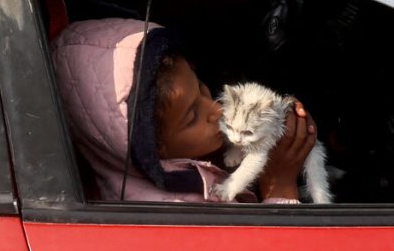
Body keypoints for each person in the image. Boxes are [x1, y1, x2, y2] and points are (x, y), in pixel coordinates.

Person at [53, 17, 317, 203]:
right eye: (192, 116)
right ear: (154, 151)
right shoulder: (180, 208)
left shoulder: (176, 157)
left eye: (201, 88)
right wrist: (279, 185)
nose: (215, 111)